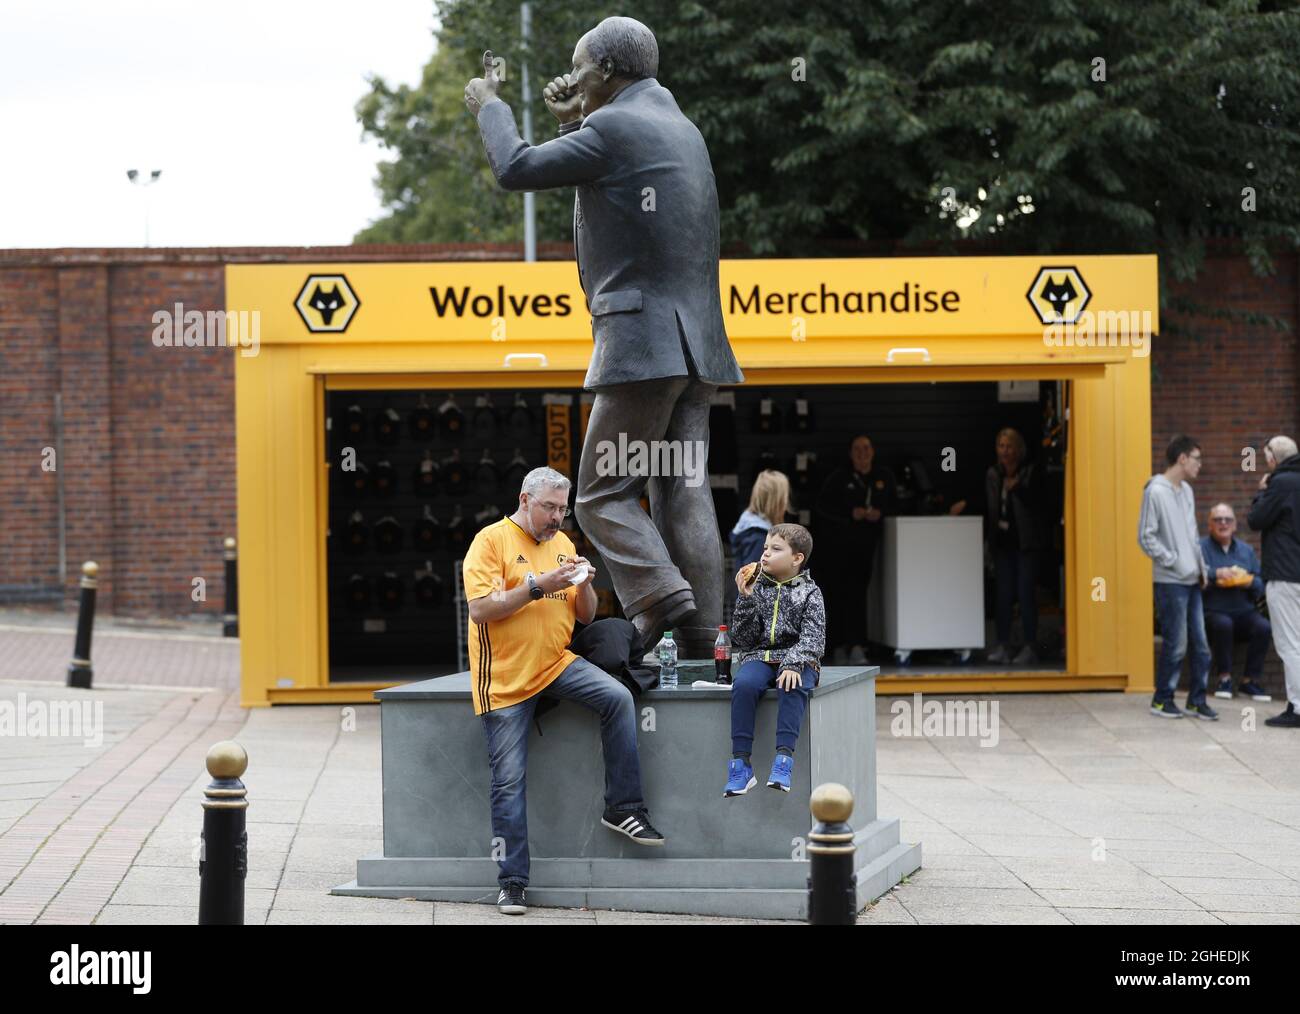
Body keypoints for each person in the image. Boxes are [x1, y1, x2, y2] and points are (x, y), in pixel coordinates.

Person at [466, 17, 745, 661]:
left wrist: (492, 104)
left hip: (643, 342)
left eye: (579, 68)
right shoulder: (681, 129)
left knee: (598, 494)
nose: (572, 78)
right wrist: (575, 119)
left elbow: (514, 167)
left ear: (609, 73)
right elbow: (608, 187)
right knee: (683, 488)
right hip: (697, 344)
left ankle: (663, 598)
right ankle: (704, 637)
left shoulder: (615, 127)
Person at [462, 467, 665, 916]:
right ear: (525, 500)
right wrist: (537, 586)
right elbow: (480, 610)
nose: (557, 517)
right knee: (509, 782)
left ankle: (622, 807)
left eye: (562, 508)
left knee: (618, 697)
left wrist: (586, 582)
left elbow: (588, 617)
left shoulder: (564, 545)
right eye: (549, 508)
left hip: (557, 662)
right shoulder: (491, 541)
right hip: (505, 681)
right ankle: (512, 882)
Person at [725, 523, 826, 795]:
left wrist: (793, 663)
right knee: (744, 684)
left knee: (790, 683)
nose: (765, 554)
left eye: (776, 549)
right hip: (760, 656)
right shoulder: (756, 588)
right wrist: (745, 598)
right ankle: (740, 763)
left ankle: (784, 759)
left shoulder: (811, 593)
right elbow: (744, 639)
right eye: (765, 548)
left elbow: (813, 638)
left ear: (797, 558)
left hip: (799, 660)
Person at [950, 428, 1050, 664]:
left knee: (1025, 594)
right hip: (1002, 543)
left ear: (1019, 449)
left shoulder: (1030, 471)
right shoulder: (993, 473)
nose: (1005, 451)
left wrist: (1017, 488)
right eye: (1001, 446)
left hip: (1026, 543)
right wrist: (965, 504)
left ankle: (1030, 646)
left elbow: (1040, 504)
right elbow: (988, 503)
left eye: (1010, 446)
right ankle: (1003, 645)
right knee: (1003, 595)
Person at [1138, 435, 1216, 720]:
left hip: (1193, 579)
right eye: (1197, 458)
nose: (1200, 465)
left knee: (1201, 644)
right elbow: (1145, 536)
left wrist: (1200, 569)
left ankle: (1197, 700)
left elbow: (1193, 537)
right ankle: (1162, 699)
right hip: (1171, 581)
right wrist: (1173, 561)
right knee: (1177, 642)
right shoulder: (1155, 491)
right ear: (1182, 458)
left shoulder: (1187, 492)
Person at [815, 435, 896, 664]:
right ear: (851, 453)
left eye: (867, 448)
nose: (863, 453)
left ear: (873, 451)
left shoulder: (883, 476)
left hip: (868, 548)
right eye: (857, 449)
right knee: (838, 596)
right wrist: (850, 514)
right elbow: (822, 508)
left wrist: (880, 515)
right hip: (838, 548)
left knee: (859, 597)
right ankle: (839, 645)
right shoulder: (839, 477)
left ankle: (858, 645)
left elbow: (896, 504)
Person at [1247, 435, 1300, 728]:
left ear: (1272, 458)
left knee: (1290, 644)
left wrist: (1262, 491)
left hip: (1285, 574)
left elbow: (1256, 519)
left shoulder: (1280, 483)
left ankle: (1298, 708)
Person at [1200, 503, 1272, 701]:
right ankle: (1224, 679)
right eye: (1218, 519)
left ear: (1234, 525)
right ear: (1210, 525)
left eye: (1228, 519)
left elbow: (1259, 583)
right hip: (1213, 611)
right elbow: (1194, 575)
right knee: (1223, 624)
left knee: (1263, 626)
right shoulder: (1200, 548)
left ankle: (1249, 682)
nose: (1223, 523)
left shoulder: (1246, 551)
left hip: (1243, 611)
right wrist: (1216, 574)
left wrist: (1247, 582)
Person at [730, 469, 791, 569]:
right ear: (776, 502)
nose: (786, 504)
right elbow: (753, 580)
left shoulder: (753, 531)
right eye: (784, 498)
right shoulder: (759, 538)